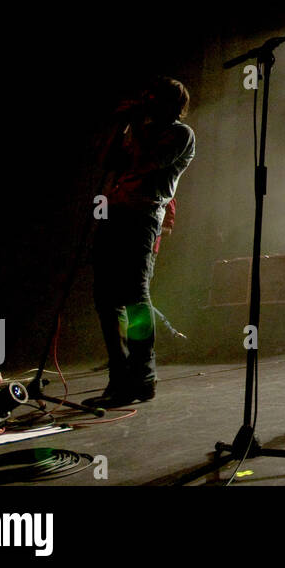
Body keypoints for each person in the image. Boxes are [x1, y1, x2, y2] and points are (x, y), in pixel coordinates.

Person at [86, 77, 195, 407]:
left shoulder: (180, 134)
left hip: (144, 216)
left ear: (171, 104)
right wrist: (120, 124)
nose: (146, 103)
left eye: (153, 99)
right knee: (105, 297)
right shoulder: (137, 129)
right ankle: (119, 376)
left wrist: (135, 122)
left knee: (135, 295)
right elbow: (107, 161)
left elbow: (148, 162)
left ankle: (144, 376)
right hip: (115, 212)